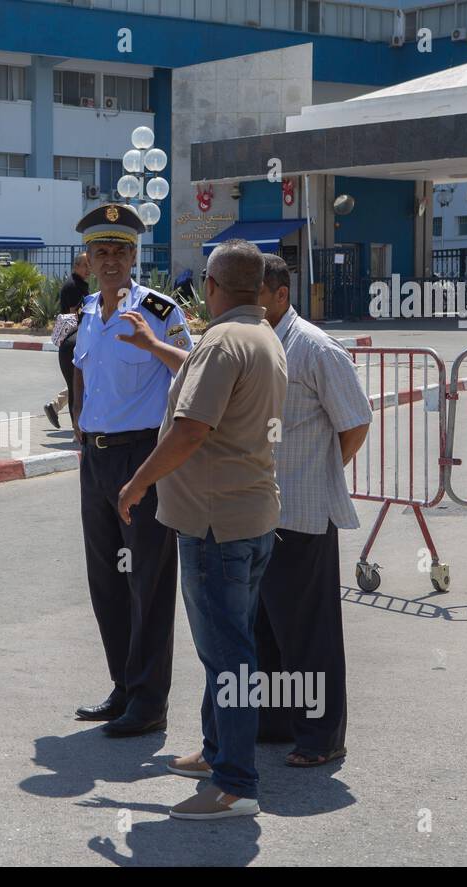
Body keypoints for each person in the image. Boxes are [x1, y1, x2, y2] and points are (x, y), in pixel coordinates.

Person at [118, 238, 287, 819]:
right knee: (233, 644)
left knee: (228, 656)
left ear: (211, 287)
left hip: (217, 525)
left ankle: (236, 785)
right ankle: (219, 754)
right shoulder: (262, 334)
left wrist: (136, 483)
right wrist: (155, 345)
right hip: (250, 514)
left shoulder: (221, 342)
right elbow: (197, 378)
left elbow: (190, 430)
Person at [71, 204, 193, 738]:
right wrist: (79, 429)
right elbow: (81, 376)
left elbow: (194, 371)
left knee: (148, 577)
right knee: (107, 579)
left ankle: (149, 702)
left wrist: (153, 344)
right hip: (94, 458)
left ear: (134, 255)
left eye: (121, 250)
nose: (112, 260)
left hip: (142, 456)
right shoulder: (86, 313)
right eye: (103, 251)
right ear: (90, 259)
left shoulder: (161, 311)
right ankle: (123, 685)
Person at [252, 254, 370, 767]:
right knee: (267, 631)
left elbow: (356, 421)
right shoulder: (255, 346)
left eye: (252, 294)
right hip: (257, 513)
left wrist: (321, 471)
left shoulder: (315, 348)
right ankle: (276, 724)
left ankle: (322, 738)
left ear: (280, 294)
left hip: (302, 511)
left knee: (308, 634)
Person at [45, 253, 91, 428]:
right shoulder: (73, 286)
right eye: (85, 265)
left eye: (90, 265)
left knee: (81, 384)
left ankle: (56, 407)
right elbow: (75, 313)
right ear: (76, 266)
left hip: (77, 338)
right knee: (76, 386)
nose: (88, 269)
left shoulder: (80, 284)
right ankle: (76, 428)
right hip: (74, 340)